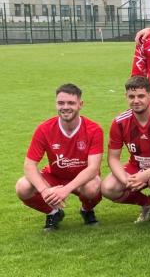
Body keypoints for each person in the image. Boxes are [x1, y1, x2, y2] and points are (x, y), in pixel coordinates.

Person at [16, 83, 103, 231]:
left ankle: (86, 210)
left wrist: (66, 189)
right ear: (56, 104)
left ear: (80, 104)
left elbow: (93, 168)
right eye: (61, 103)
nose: (65, 107)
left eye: (71, 103)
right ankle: (54, 213)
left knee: (93, 187)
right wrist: (44, 190)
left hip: (83, 179)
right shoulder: (44, 129)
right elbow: (29, 166)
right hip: (55, 176)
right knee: (22, 187)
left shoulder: (94, 129)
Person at [101, 76, 150, 225]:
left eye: (141, 96)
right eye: (131, 96)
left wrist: (145, 175)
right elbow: (113, 158)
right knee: (108, 188)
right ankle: (148, 203)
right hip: (137, 166)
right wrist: (126, 180)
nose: (136, 100)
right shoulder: (119, 122)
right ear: (126, 97)